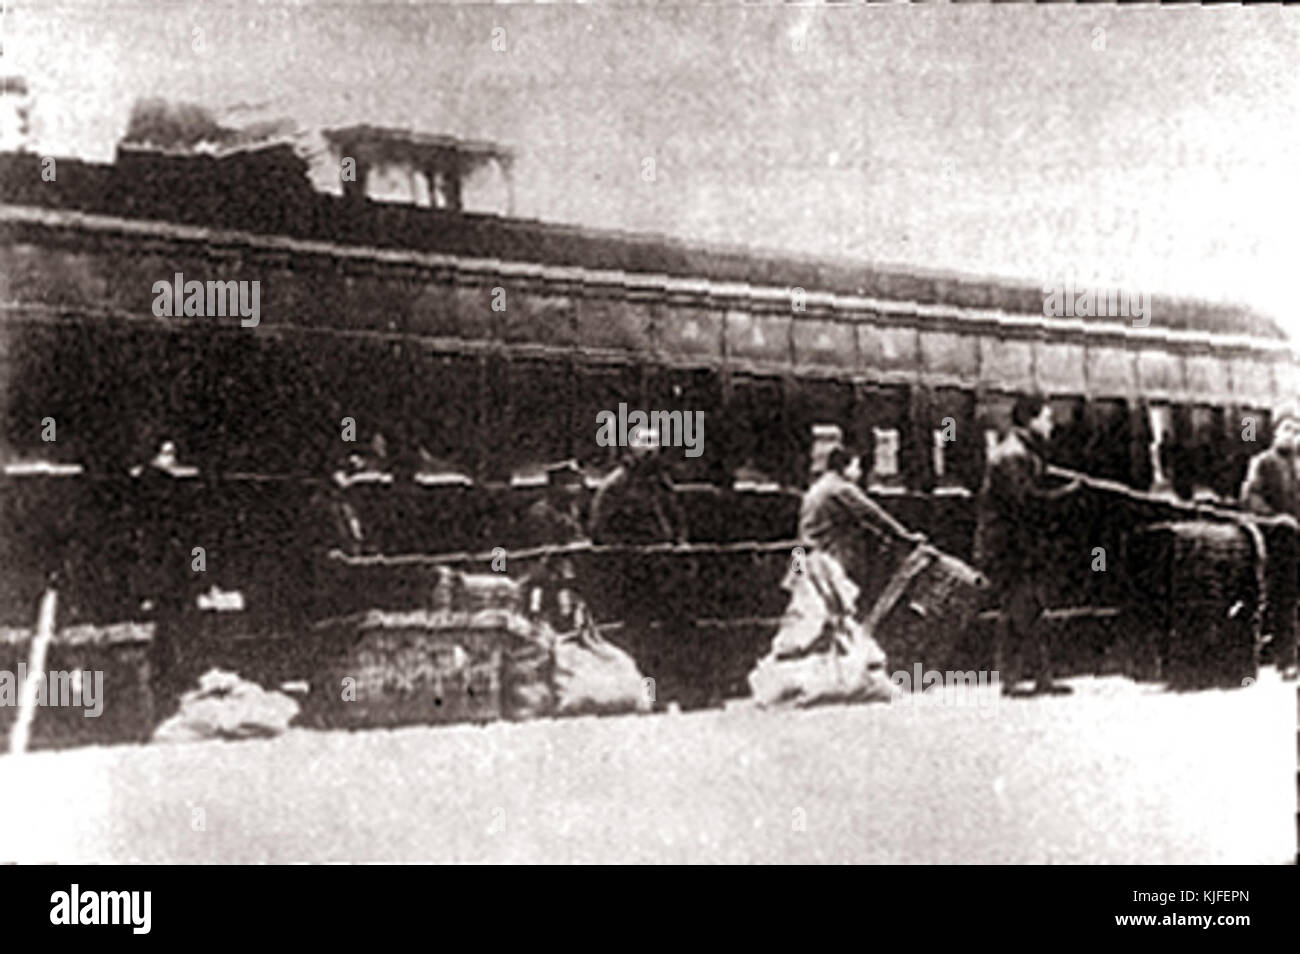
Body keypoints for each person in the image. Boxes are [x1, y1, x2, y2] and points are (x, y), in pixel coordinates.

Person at [973, 395, 1081, 697]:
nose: (1051, 425)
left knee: (1029, 609)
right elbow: (1026, 502)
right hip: (1009, 547)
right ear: (1031, 420)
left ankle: (1039, 678)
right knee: (1019, 609)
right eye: (1047, 418)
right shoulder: (1013, 455)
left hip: (1013, 545)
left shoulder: (1021, 452)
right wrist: (1068, 496)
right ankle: (1012, 680)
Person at [798, 444, 924, 607]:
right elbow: (874, 514)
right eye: (855, 466)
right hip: (829, 555)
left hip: (809, 552)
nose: (858, 473)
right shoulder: (841, 488)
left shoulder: (820, 485)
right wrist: (905, 536)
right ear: (844, 468)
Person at [1240, 409, 1300, 679]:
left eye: (1297, 431)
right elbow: (1250, 497)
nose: (1292, 436)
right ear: (1276, 432)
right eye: (1287, 429)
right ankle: (1286, 660)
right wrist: (1275, 519)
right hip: (1282, 543)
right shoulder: (1263, 463)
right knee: (1284, 601)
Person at [588, 429, 687, 545]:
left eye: (654, 442)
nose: (650, 447)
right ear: (632, 446)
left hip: (660, 548)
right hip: (625, 550)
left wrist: (678, 541)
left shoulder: (661, 482)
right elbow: (599, 528)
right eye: (644, 441)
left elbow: (675, 518)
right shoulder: (616, 484)